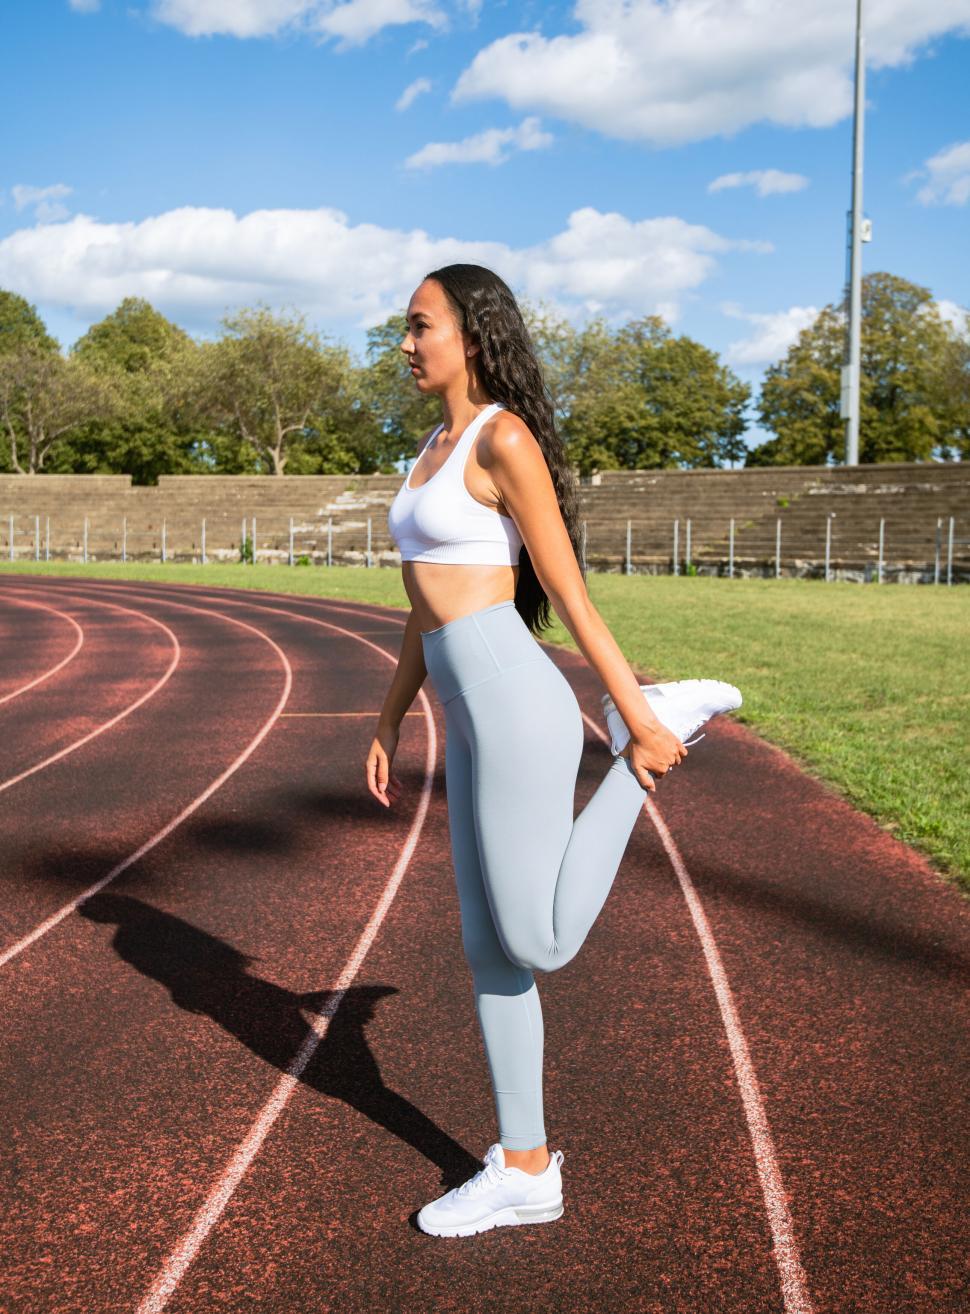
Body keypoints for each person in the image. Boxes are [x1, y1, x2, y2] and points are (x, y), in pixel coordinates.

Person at [366, 263, 741, 1238]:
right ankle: (526, 1170)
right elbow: (420, 602)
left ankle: (644, 739)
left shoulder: (503, 440)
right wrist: (391, 713)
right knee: (490, 951)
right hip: (461, 705)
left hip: (517, 700)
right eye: (402, 329)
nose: (405, 343)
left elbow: (569, 594)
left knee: (537, 941)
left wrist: (633, 713)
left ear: (474, 334)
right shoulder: (425, 451)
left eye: (420, 325)